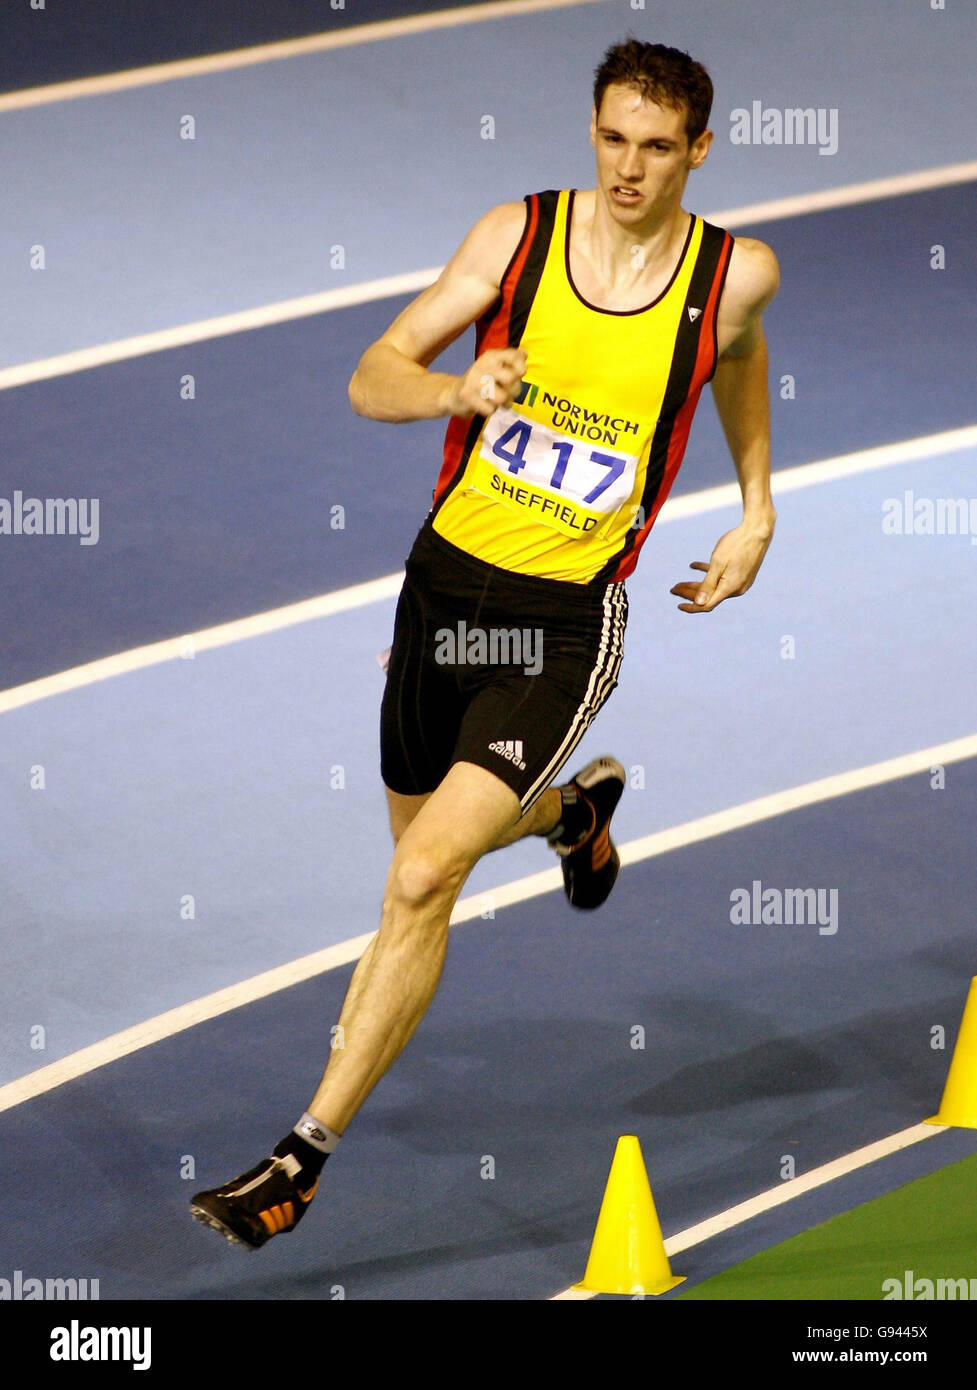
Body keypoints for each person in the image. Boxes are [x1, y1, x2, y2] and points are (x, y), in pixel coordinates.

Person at [191, 38, 779, 1250]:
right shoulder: (513, 240)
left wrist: (755, 504)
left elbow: (735, 352)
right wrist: (453, 394)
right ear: (591, 131)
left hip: (564, 620)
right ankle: (570, 815)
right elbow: (371, 375)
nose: (628, 166)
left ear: (696, 152)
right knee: (425, 856)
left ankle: (299, 1158)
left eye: (656, 146)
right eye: (612, 137)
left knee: (417, 880)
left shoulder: (732, 273)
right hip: (442, 593)